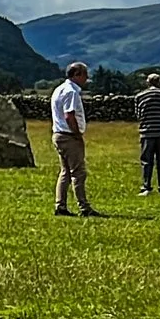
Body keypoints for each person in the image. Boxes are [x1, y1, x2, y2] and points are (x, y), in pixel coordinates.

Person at [52, 61, 102, 217]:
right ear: (76, 75)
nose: (86, 78)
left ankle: (60, 205)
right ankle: (84, 207)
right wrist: (77, 134)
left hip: (58, 134)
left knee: (65, 171)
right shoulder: (72, 92)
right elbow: (69, 115)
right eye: (84, 74)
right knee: (78, 173)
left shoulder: (59, 89)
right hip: (68, 135)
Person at [136, 73, 160, 196]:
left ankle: (146, 186)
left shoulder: (139, 96)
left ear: (147, 82)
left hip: (147, 132)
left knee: (146, 160)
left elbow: (138, 115)